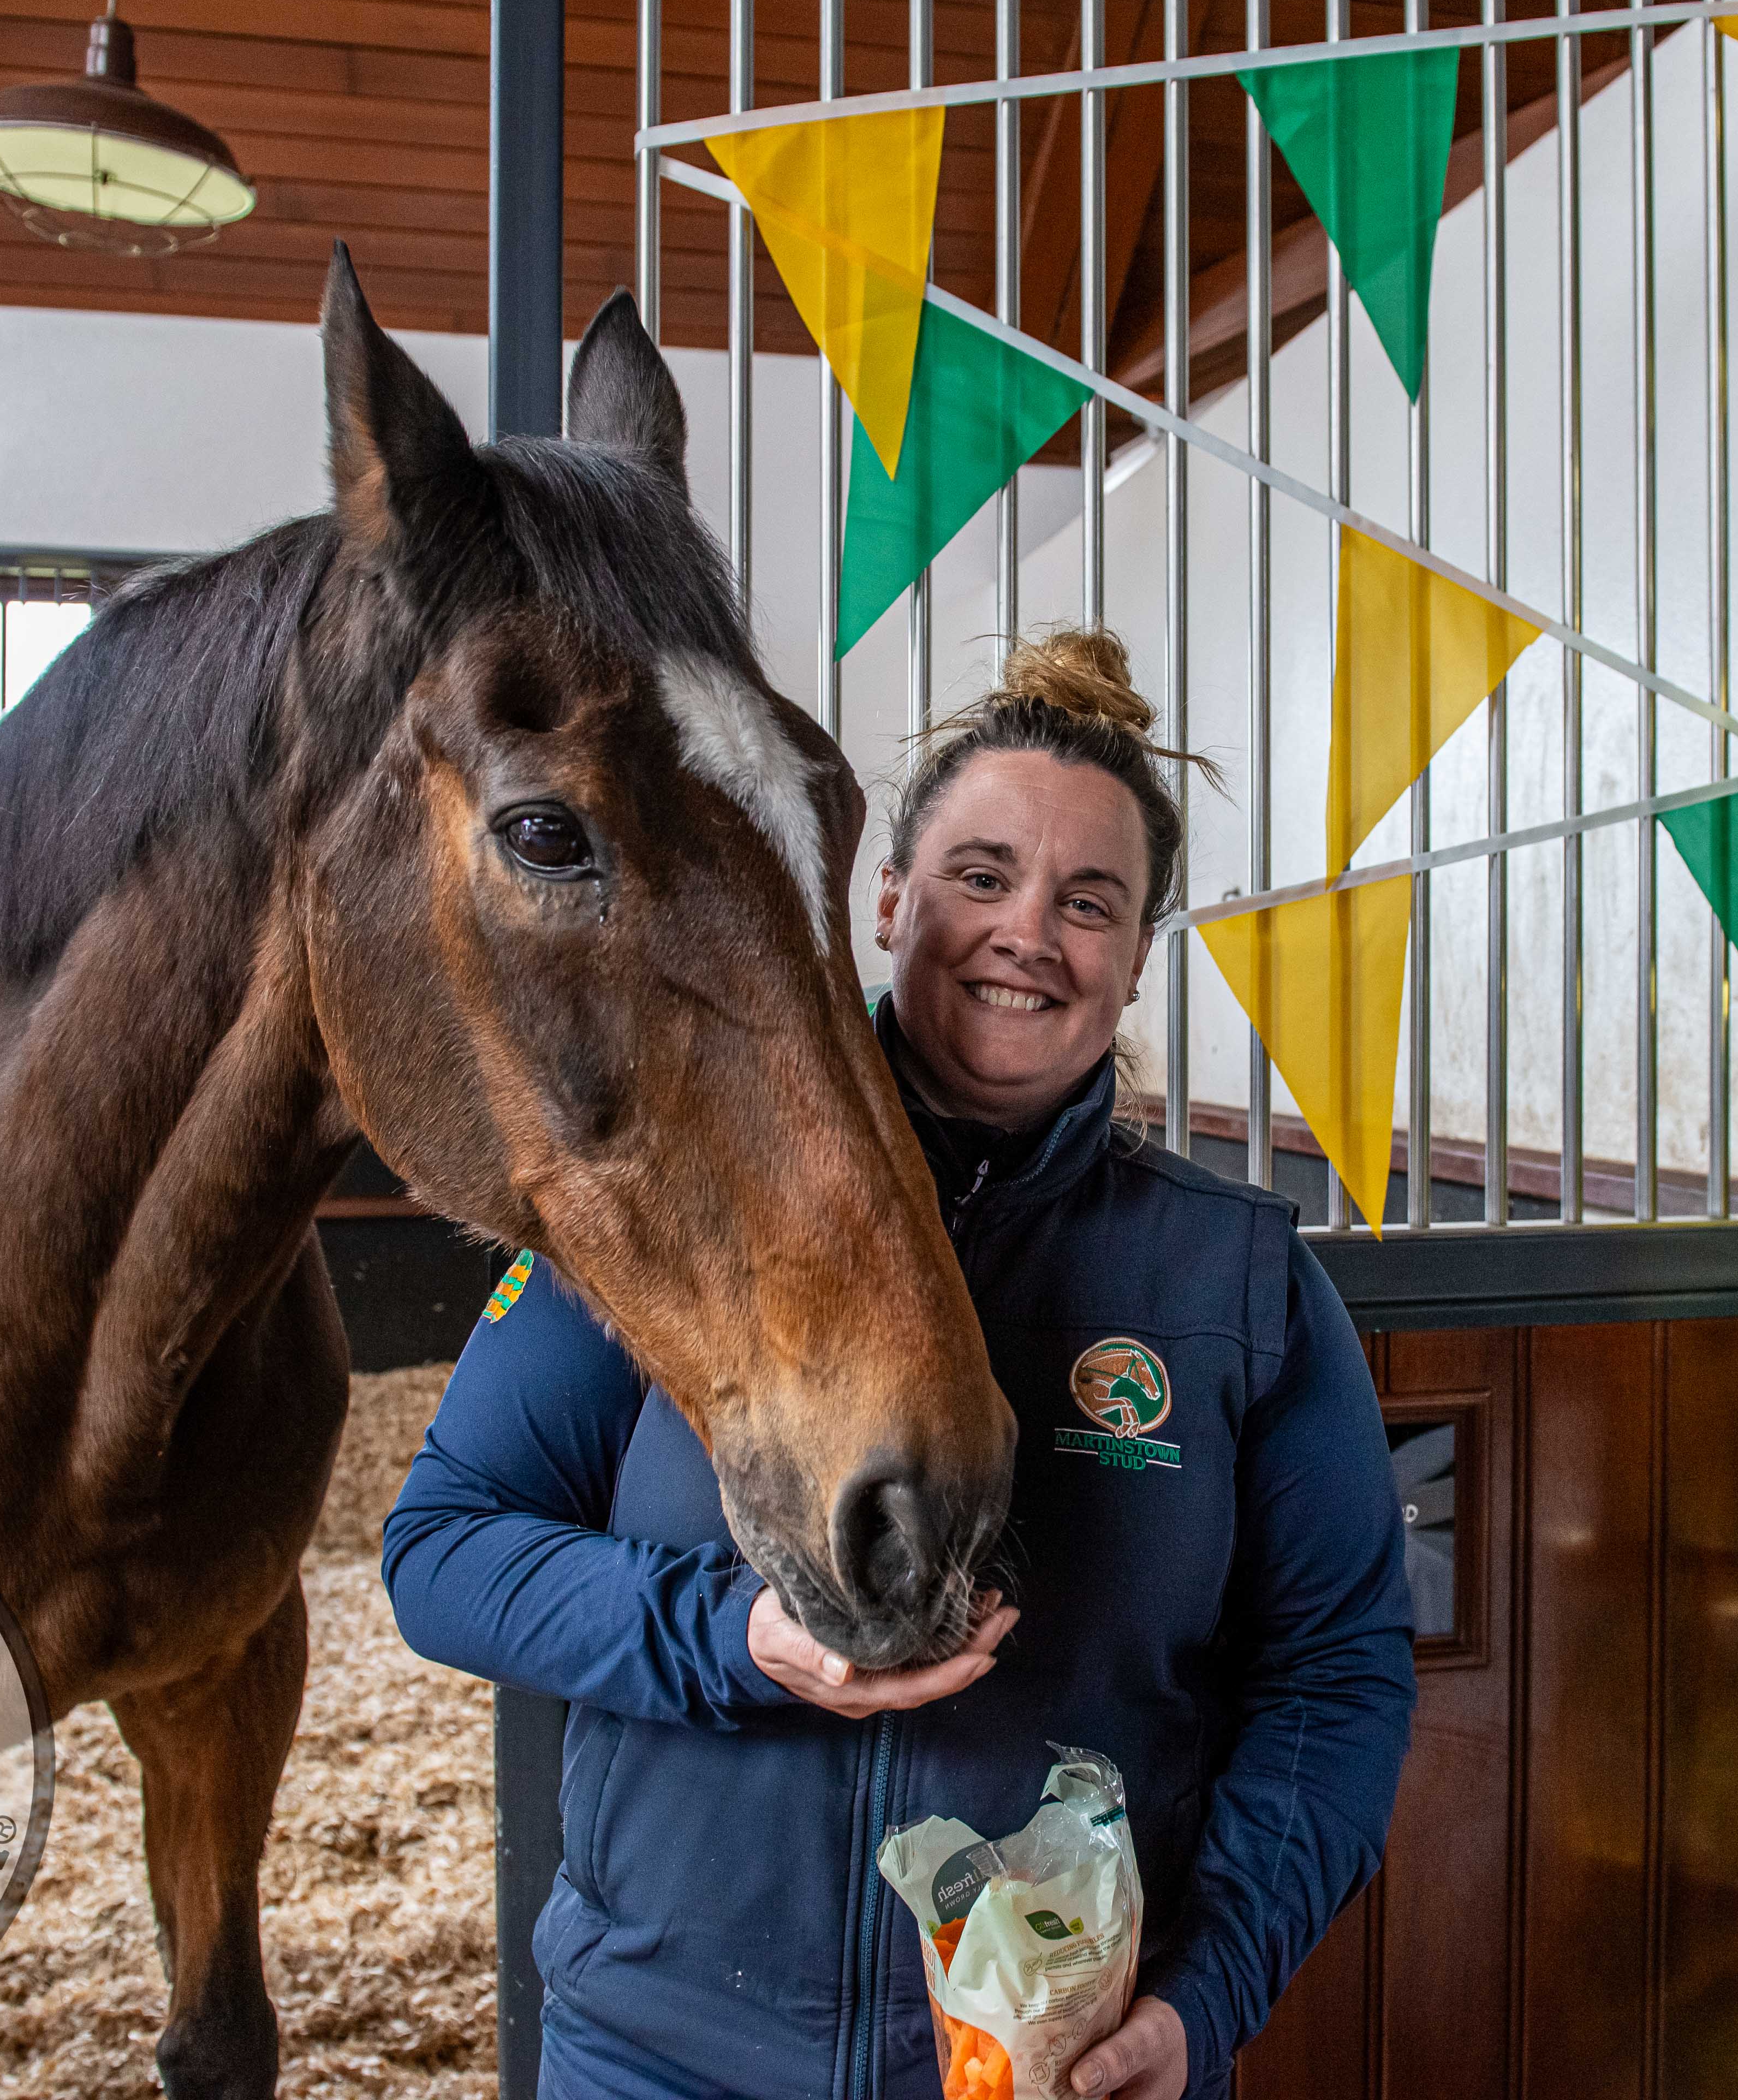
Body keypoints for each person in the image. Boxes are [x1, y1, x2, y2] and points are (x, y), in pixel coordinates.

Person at [384, 630, 1415, 2100]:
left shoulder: (1239, 1287)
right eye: (981, 877)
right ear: (886, 902)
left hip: (1046, 2066)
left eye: (1090, 903)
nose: (1026, 933)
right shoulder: (668, 1198)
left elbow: (1337, 1678)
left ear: (1132, 965)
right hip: (663, 2054)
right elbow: (444, 1551)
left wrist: (1203, 2001)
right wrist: (734, 1638)